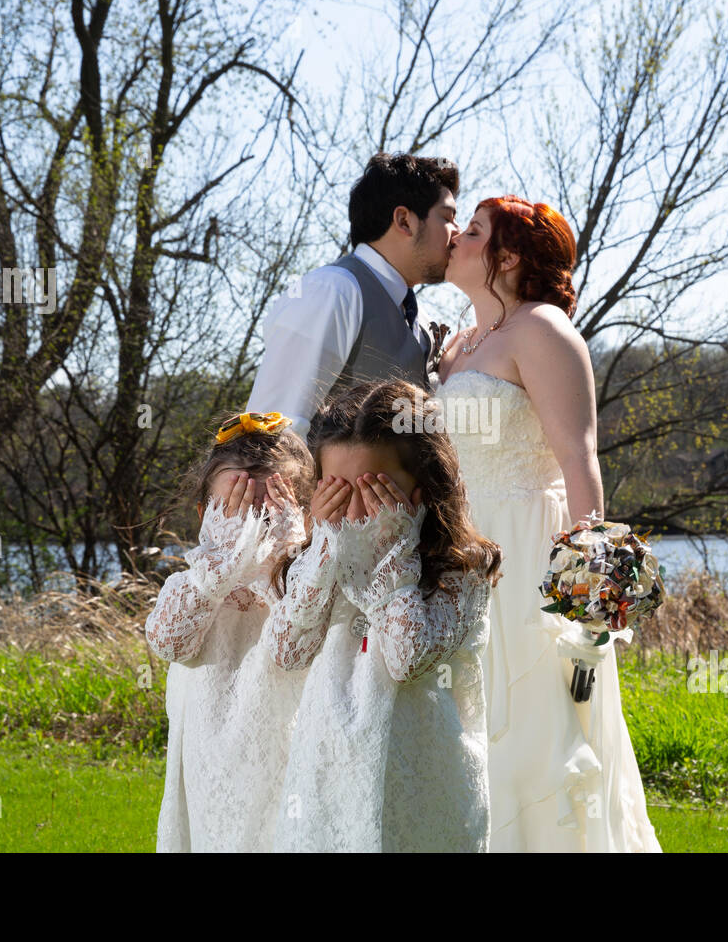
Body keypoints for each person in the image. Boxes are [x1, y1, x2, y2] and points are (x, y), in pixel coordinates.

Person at [435, 195, 662, 852]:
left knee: (546, 734)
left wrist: (589, 593)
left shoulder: (544, 331)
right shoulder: (456, 344)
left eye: (473, 231)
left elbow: (577, 457)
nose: (455, 236)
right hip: (463, 558)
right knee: (471, 736)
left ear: (506, 257)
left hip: (532, 556)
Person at [264, 380, 503, 851]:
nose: (355, 508)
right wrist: (329, 549)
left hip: (426, 782)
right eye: (337, 490)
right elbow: (286, 651)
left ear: (425, 485)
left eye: (375, 489)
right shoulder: (316, 562)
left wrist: (396, 554)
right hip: (328, 776)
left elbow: (404, 659)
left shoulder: (460, 572)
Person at [147, 411, 312, 852]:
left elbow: (298, 644)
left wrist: (292, 556)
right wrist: (220, 569)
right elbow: (169, 642)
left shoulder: (306, 583)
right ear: (205, 516)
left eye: (268, 511)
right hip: (210, 754)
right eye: (236, 510)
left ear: (302, 514)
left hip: (284, 747)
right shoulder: (191, 586)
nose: (253, 529)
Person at [248, 152, 461, 440]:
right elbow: (275, 426)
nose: (458, 233)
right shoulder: (331, 290)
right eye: (448, 217)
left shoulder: (419, 318)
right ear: (404, 221)